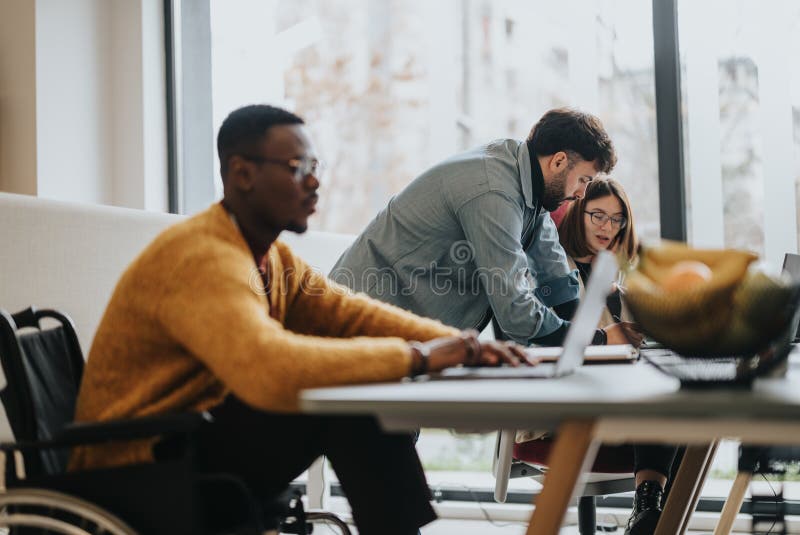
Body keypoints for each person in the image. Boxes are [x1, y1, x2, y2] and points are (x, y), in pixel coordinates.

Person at [70, 104, 533, 535]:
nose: (314, 182)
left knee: (355, 397)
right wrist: (417, 358)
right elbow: (268, 367)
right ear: (242, 173)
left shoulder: (267, 255)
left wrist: (464, 345)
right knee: (349, 402)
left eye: (314, 167)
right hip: (137, 467)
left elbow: (350, 314)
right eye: (297, 168)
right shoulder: (203, 257)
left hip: (187, 440)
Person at [331, 108, 640, 347]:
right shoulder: (494, 191)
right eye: (584, 180)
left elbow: (553, 269)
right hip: (358, 326)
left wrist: (590, 333)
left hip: (401, 331)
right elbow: (515, 312)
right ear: (558, 162)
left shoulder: (530, 185)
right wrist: (597, 340)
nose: (582, 194)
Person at [555, 178, 675, 535]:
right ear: (578, 213)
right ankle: (648, 506)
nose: (606, 227)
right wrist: (607, 334)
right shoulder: (555, 267)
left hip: (614, 392)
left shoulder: (615, 273)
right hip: (567, 397)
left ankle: (649, 509)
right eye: (597, 215)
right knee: (664, 403)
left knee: (682, 404)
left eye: (616, 218)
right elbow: (552, 339)